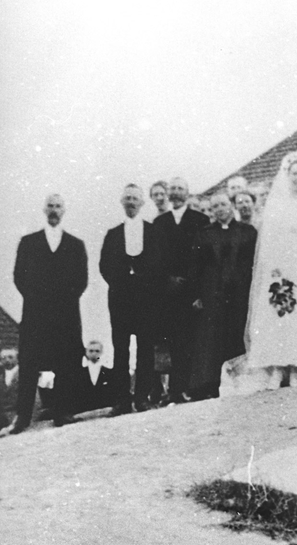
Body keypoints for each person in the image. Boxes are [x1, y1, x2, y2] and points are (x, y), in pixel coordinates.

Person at [244, 151, 297, 387]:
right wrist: (274, 267)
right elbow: (270, 236)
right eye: (295, 173)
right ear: (287, 175)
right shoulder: (277, 202)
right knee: (278, 312)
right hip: (281, 263)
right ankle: (278, 367)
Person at [9, 194, 88, 433]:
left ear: (64, 211)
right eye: (50, 206)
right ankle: (22, 418)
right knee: (30, 361)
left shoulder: (75, 244)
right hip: (36, 313)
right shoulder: (29, 242)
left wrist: (63, 301)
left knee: (66, 360)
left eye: (58, 206)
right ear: (44, 210)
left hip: (65, 314)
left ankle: (63, 412)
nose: (54, 210)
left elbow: (81, 280)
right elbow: (19, 277)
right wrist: (38, 299)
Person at [188, 191, 257, 399]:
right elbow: (195, 267)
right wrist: (196, 295)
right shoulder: (204, 233)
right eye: (215, 206)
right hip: (213, 294)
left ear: (231, 206)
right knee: (213, 340)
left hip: (240, 293)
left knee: (238, 333)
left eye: (223, 205)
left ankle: (242, 381)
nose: (219, 209)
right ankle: (211, 386)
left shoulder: (247, 231)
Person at [99, 183, 156, 414]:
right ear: (122, 203)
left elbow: (160, 263)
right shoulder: (113, 234)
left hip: (145, 299)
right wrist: (120, 282)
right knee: (120, 349)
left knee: (145, 348)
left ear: (142, 203)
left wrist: (145, 284)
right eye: (127, 199)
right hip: (120, 299)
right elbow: (104, 266)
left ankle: (142, 397)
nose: (131, 202)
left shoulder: (152, 232)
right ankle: (121, 400)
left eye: (135, 199)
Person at [152, 176, 208, 403]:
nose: (175, 192)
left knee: (191, 341)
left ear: (187, 192)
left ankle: (190, 388)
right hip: (168, 291)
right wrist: (167, 279)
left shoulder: (200, 219)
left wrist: (197, 291)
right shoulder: (159, 222)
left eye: (180, 189)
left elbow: (204, 259)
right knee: (172, 341)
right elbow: (155, 257)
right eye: (172, 189)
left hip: (191, 291)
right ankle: (174, 390)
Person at [75, 339, 114, 413]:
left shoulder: (108, 372)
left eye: (97, 351)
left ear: (101, 352)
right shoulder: (79, 373)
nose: (94, 353)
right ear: (86, 352)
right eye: (91, 351)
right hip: (84, 408)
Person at [0, 347, 18, 432]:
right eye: (3, 358)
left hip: (16, 414)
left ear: (17, 359)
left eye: (10, 357)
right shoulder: (1, 375)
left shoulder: (23, 375)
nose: (7, 360)